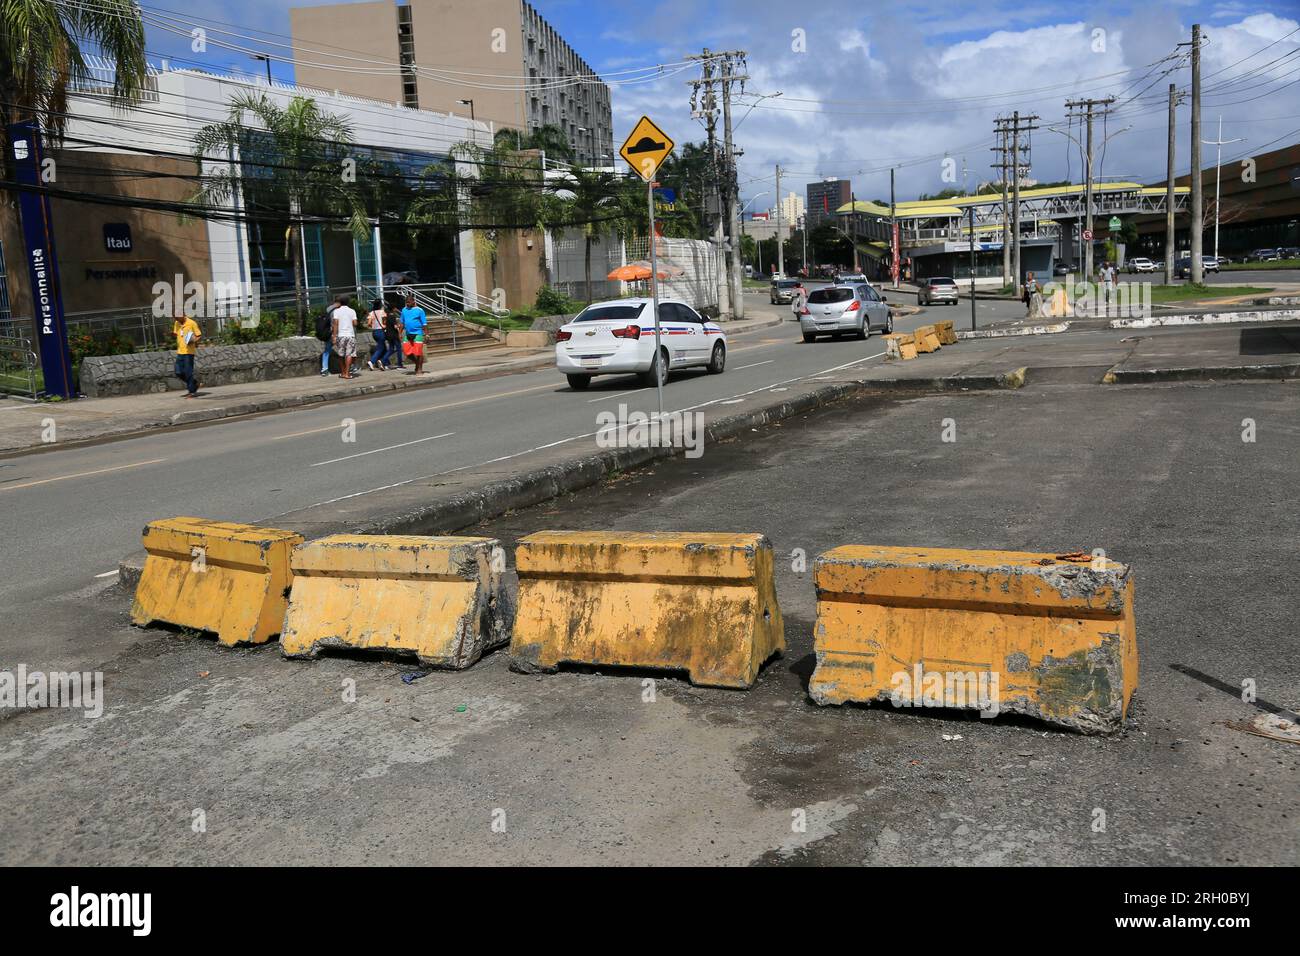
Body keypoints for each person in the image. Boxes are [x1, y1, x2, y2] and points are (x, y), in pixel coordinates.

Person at [172, 311, 201, 397]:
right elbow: (176, 333)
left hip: (189, 352)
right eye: (175, 318)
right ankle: (194, 383)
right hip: (180, 351)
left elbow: (198, 335)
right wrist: (171, 334)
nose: (176, 319)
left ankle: (192, 391)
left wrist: (193, 340)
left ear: (182, 315)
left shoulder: (192, 323)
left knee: (188, 372)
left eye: (177, 317)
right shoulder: (177, 323)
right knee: (178, 372)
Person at [331, 293, 359, 380]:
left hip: (341, 335)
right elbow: (355, 323)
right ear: (348, 302)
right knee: (349, 354)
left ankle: (343, 373)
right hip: (350, 335)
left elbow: (335, 324)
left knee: (341, 354)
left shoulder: (336, 311)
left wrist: (334, 336)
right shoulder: (352, 311)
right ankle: (347, 373)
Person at [400, 292, 427, 375]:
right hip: (408, 334)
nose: (407, 304)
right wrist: (400, 333)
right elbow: (402, 323)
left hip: (418, 333)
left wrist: (426, 334)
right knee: (406, 352)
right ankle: (417, 363)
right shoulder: (404, 310)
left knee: (418, 352)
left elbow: (424, 324)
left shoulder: (420, 310)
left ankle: (419, 369)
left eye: (409, 302)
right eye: (406, 302)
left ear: (413, 301)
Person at [365, 298, 390, 370]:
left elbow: (369, 323)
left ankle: (385, 364)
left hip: (374, 332)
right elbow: (384, 322)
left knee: (383, 347)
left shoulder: (371, 313)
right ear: (380, 304)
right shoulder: (382, 312)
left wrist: (373, 326)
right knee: (381, 348)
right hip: (381, 331)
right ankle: (372, 361)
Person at [316, 299, 338, 375]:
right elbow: (334, 323)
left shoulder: (328, 309)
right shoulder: (336, 310)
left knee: (327, 351)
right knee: (344, 349)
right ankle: (349, 367)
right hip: (334, 333)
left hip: (327, 333)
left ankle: (324, 369)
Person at [383, 301, 404, 369]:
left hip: (388, 335)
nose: (396, 309)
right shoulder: (392, 316)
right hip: (394, 335)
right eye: (395, 308)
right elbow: (395, 326)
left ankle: (382, 360)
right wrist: (399, 327)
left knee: (391, 349)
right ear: (393, 308)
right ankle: (400, 364)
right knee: (399, 349)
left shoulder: (388, 315)